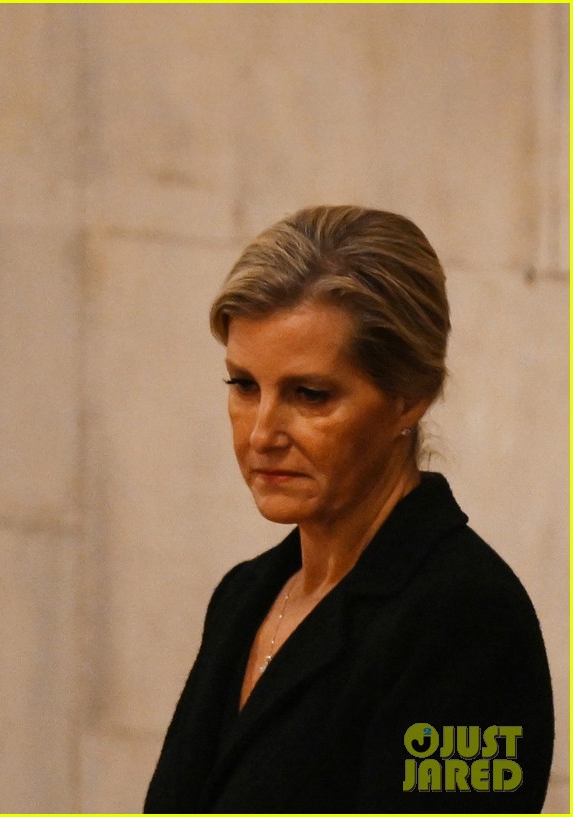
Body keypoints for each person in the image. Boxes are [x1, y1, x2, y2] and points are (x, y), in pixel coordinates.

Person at [143, 206, 554, 812]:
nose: (261, 434)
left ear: (409, 397)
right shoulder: (244, 595)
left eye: (310, 395)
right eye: (243, 385)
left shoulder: (468, 620)